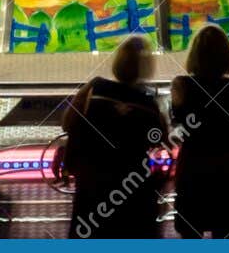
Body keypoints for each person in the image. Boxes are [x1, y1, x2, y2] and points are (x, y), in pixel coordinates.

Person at [63, 36, 167, 238]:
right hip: (132, 190)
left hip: (92, 183)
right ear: (147, 67)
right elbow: (159, 140)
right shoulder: (149, 105)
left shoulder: (95, 88)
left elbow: (68, 123)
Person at [170, 24, 229, 239]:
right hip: (228, 170)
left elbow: (176, 130)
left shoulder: (181, 86)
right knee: (227, 232)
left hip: (193, 168)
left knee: (190, 232)